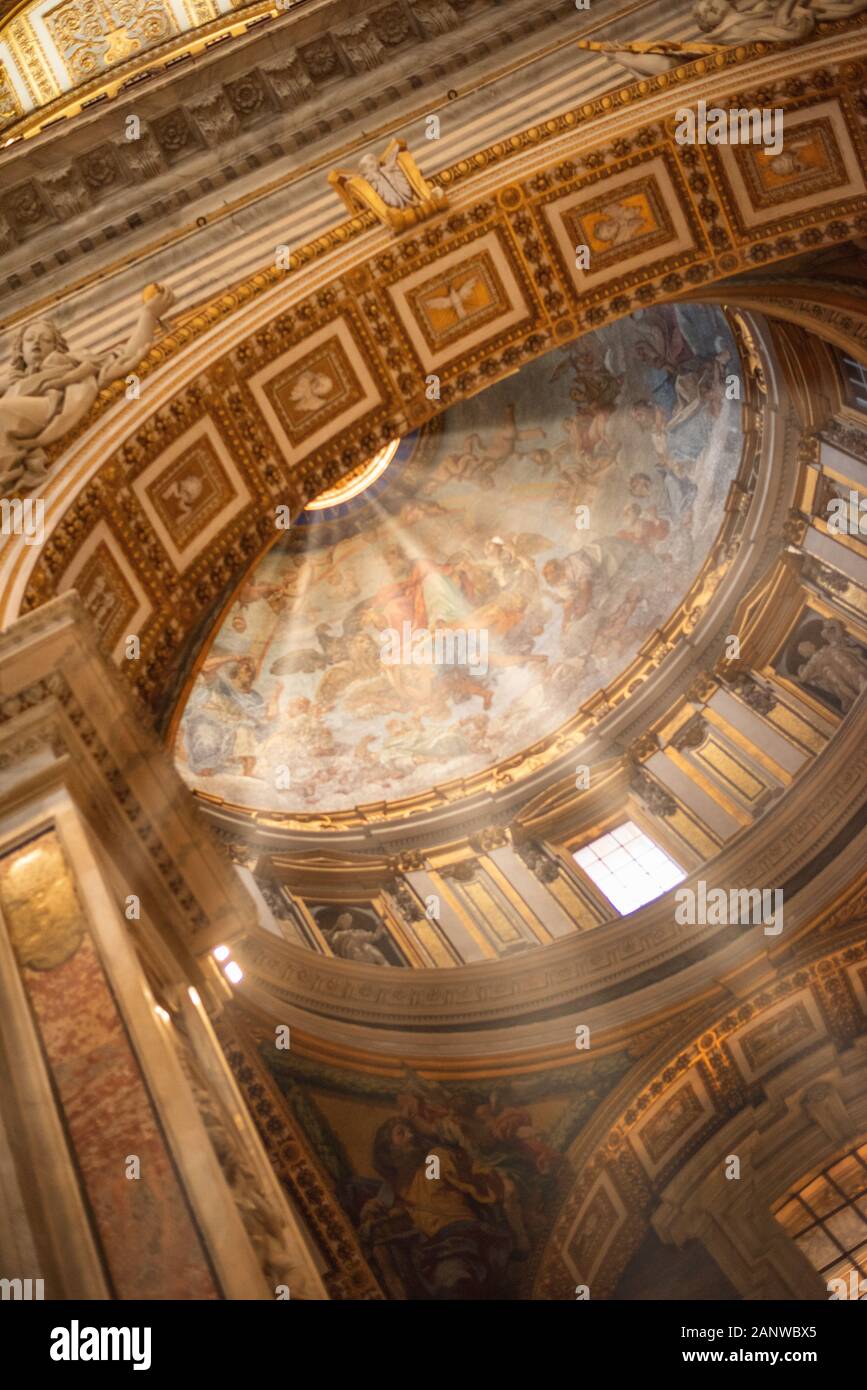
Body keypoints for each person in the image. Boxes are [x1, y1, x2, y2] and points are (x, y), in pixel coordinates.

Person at [0, 284, 175, 494]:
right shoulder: (13, 383)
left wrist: (148, 314)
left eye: (45, 339)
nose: (36, 343)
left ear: (57, 346)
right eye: (29, 340)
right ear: (20, 351)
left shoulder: (72, 362)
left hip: (52, 407)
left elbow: (126, 355)